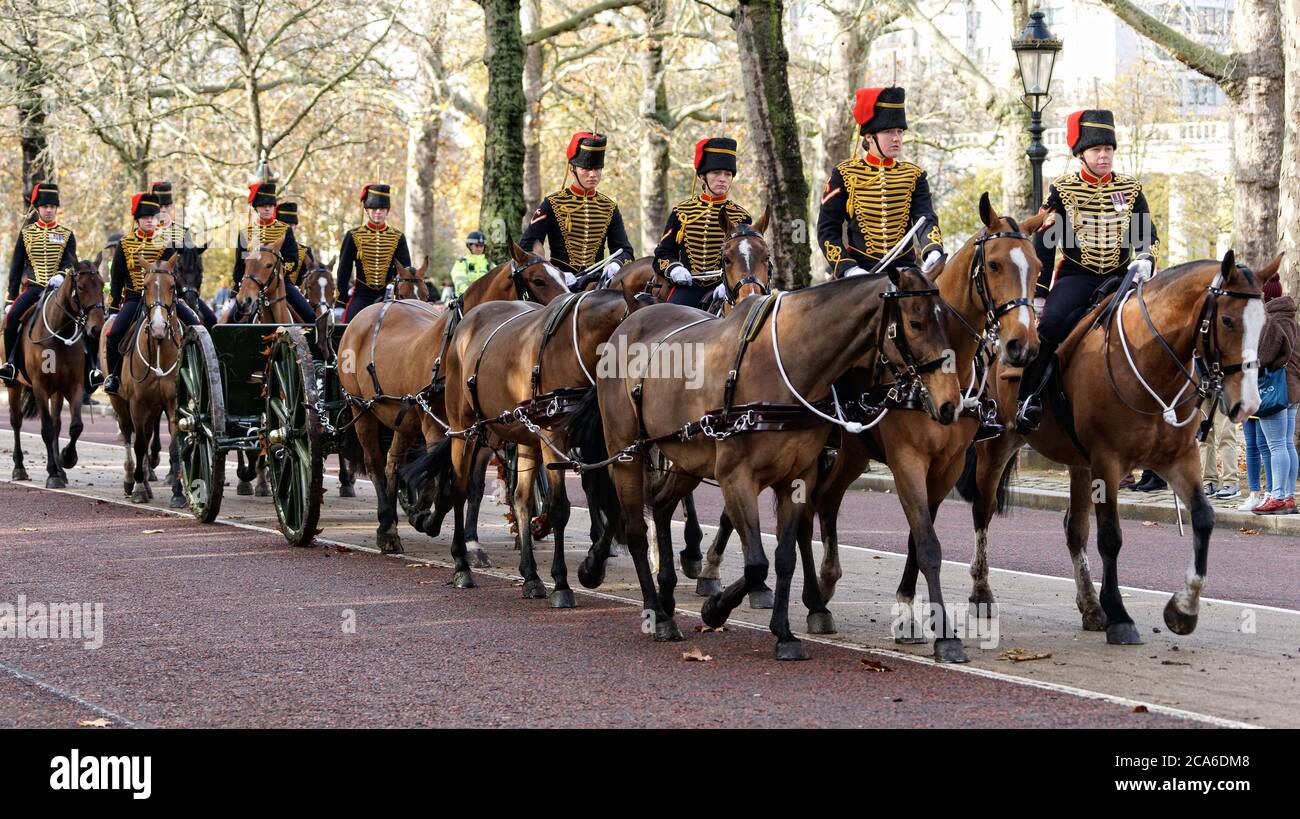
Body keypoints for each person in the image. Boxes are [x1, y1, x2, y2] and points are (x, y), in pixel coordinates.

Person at [1016, 109, 1160, 432]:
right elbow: (1045, 243)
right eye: (1097, 150)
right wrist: (1039, 294)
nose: (1104, 156)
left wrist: (1146, 258)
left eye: (1108, 150)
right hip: (1077, 276)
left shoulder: (1131, 190)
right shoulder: (1062, 192)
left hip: (1122, 276)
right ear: (1081, 153)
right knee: (1050, 325)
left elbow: (1146, 233)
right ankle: (1028, 398)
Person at [816, 86, 943, 278]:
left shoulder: (915, 176)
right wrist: (847, 268)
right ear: (869, 137)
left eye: (900, 132)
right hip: (860, 272)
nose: (896, 139)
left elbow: (925, 218)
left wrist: (933, 250)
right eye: (889, 132)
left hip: (905, 272)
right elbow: (827, 228)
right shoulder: (844, 174)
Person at [104, 192, 203, 395]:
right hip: (134, 299)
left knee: (196, 324)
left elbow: (173, 272)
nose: (150, 221)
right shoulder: (125, 244)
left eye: (153, 217)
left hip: (165, 300)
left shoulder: (166, 242)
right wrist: (113, 308)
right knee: (114, 334)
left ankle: (197, 374)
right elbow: (116, 279)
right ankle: (113, 377)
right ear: (138, 220)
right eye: (146, 218)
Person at [520, 132, 634, 284]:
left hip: (597, 284)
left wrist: (616, 264)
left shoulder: (609, 207)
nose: (593, 174)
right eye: (586, 169)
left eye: (598, 169)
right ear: (572, 169)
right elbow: (527, 246)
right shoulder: (552, 203)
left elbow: (625, 251)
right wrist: (554, 274)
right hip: (560, 285)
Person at [654, 136, 752, 308]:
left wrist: (729, 284)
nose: (723, 179)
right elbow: (663, 253)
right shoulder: (681, 212)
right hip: (688, 288)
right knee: (668, 322)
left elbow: (748, 261)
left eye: (728, 174)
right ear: (702, 176)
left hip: (725, 290)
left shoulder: (741, 217)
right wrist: (674, 269)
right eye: (716, 173)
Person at [2, 183, 79, 384]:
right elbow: (16, 266)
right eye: (45, 206)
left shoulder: (67, 234)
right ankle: (10, 365)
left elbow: (70, 260)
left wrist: (62, 275)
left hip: (58, 290)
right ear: (38, 208)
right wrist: (10, 297)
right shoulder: (26, 234)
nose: (49, 210)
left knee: (85, 321)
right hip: (34, 288)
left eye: (52, 207)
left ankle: (90, 370)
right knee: (11, 320)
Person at [230, 181, 314, 323]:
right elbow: (240, 264)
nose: (267, 209)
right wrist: (238, 288)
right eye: (263, 206)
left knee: (310, 316)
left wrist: (277, 272)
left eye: (270, 206)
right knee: (231, 321)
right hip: (251, 284)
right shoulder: (245, 234)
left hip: (281, 283)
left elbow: (292, 260)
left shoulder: (284, 229)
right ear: (256, 208)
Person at [1252, 275, 1300, 515]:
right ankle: (1289, 496)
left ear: (1265, 295)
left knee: (1277, 445)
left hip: (1274, 391)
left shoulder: (1271, 321)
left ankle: (1279, 496)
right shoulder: (1293, 320)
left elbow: (1263, 357)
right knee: (1287, 444)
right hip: (1292, 391)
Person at [336, 184, 412, 321]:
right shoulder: (353, 235)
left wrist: (394, 287)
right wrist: (341, 300)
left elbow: (405, 269)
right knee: (347, 325)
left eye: (382, 209)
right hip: (362, 295)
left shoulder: (397, 237)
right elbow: (344, 270)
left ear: (387, 211)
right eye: (374, 208)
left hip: (390, 295)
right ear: (366, 210)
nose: (378, 212)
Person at [152, 180, 217, 327]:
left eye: (166, 206)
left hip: (183, 293)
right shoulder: (149, 232)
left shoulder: (183, 232)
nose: (163, 210)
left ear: (171, 207)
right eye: (160, 206)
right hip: (154, 292)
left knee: (211, 319)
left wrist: (188, 293)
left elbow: (192, 266)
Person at [1200, 415, 1240, 499]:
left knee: (1225, 436)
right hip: (1200, 402)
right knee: (1204, 438)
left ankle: (1231, 482)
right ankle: (1209, 482)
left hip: (1224, 402)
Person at [1239, 413, 1272, 511]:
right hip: (1246, 406)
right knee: (1251, 447)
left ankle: (1270, 494)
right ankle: (1254, 495)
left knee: (1264, 446)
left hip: (1262, 404)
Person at [449, 231, 492, 297]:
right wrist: (471, 293)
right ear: (470, 246)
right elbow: (459, 281)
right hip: (466, 299)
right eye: (477, 246)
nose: (479, 248)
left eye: (481, 246)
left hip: (486, 298)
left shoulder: (489, 263)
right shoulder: (462, 262)